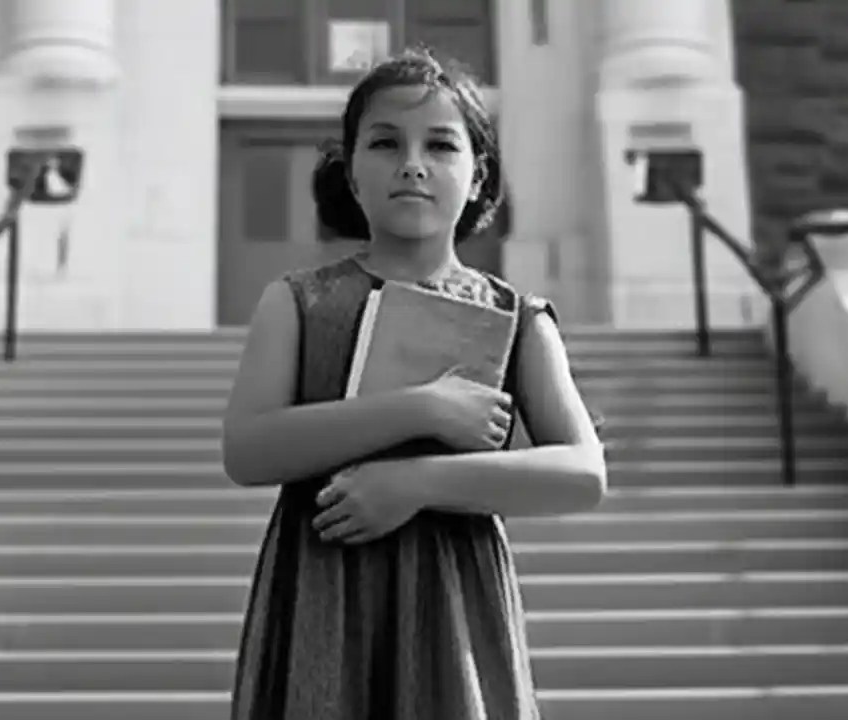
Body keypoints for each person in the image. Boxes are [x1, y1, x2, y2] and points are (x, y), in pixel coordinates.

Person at [223, 46, 608, 719]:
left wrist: (416, 482)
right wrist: (422, 408)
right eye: (384, 142)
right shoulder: (298, 302)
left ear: (477, 171)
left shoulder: (518, 319)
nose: (412, 163)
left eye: (440, 145)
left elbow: (582, 473)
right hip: (323, 588)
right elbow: (248, 449)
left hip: (454, 596)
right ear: (349, 170)